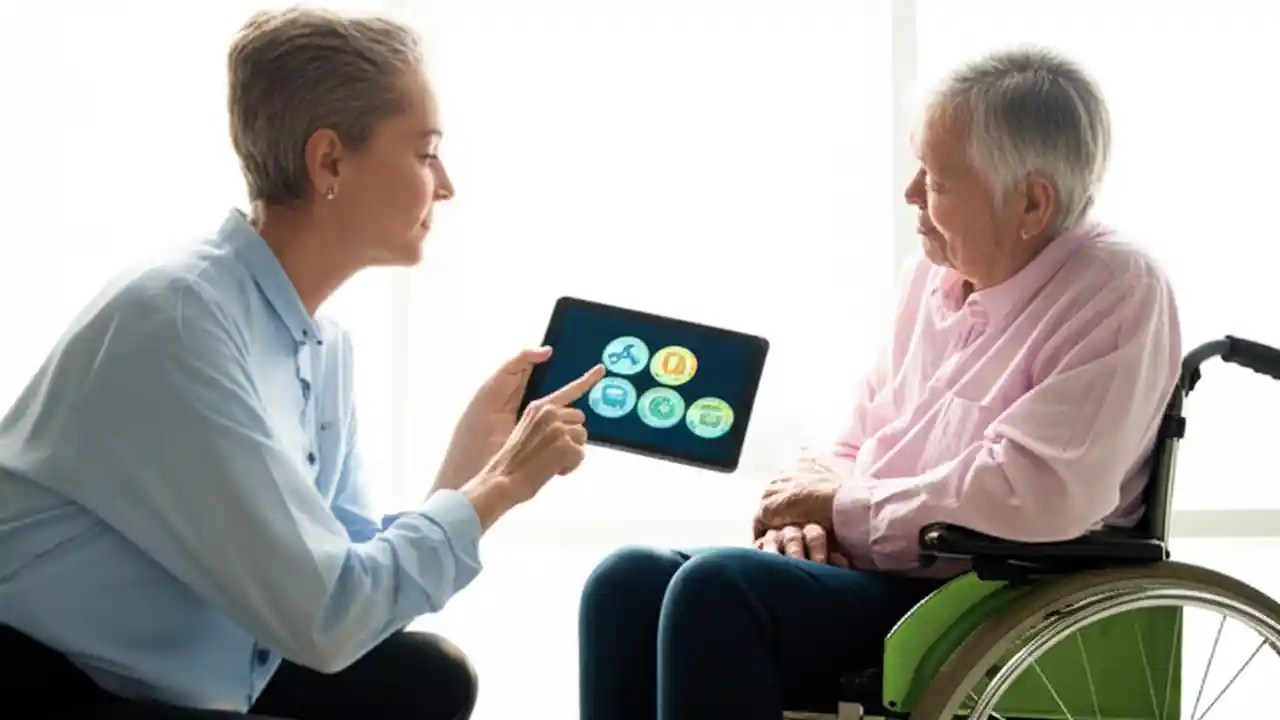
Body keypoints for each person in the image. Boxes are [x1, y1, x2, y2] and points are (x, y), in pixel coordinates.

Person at [0, 7, 605, 719]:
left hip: (195, 676)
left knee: (425, 678)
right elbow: (328, 619)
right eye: (424, 151)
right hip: (56, 683)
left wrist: (472, 469)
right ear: (329, 162)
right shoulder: (181, 320)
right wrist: (499, 486)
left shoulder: (320, 342)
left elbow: (347, 591)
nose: (445, 185)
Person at [578, 46, 1182, 720]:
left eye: (937, 178)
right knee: (625, 582)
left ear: (1032, 202)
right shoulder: (932, 275)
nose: (911, 195)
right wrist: (810, 521)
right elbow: (865, 434)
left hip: (988, 594)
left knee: (721, 591)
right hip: (886, 569)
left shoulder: (1115, 288)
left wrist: (841, 510)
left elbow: (1033, 493)